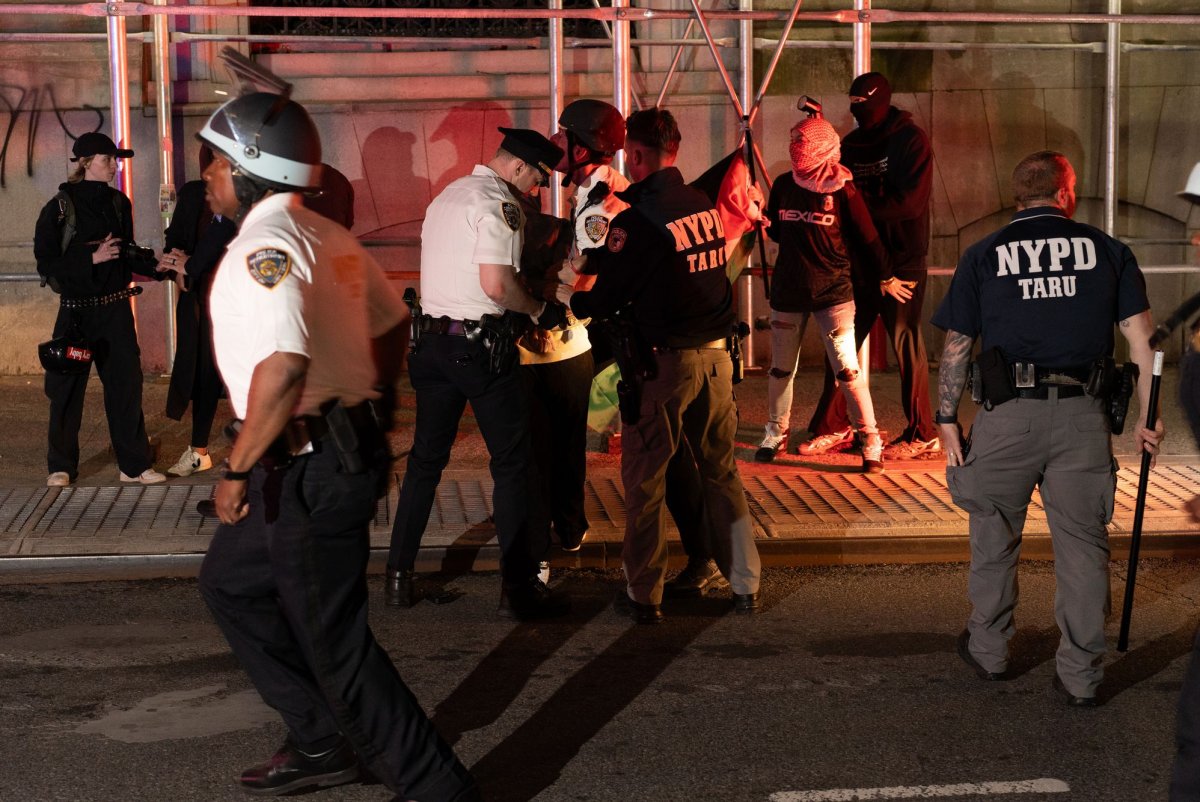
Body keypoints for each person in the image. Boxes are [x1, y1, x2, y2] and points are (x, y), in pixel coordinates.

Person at [194, 90, 478, 801]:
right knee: (230, 584)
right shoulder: (327, 236)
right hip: (322, 457)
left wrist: (235, 469)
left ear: (249, 169)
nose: (205, 175)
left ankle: (437, 787)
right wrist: (365, 411)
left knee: (335, 645)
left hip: (307, 470)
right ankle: (321, 739)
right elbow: (388, 325)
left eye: (215, 162)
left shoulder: (266, 247)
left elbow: (282, 365)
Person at [933, 150, 1163, 707]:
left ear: (1020, 195)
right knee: (1084, 547)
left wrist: (946, 421)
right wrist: (1148, 420)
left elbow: (957, 347)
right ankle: (1082, 677)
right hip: (1084, 417)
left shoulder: (984, 254)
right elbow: (1143, 345)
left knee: (993, 534)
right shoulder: (1108, 251)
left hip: (1007, 416)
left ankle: (990, 651)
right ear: (1066, 194)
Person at [556, 107, 761, 623]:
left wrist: (567, 300)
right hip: (717, 363)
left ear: (638, 155)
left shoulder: (636, 221)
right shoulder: (700, 205)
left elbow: (607, 300)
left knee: (646, 482)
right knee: (721, 474)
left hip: (663, 366)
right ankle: (746, 584)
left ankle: (644, 595)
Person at [383, 127, 573, 621]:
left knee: (426, 462)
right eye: (538, 176)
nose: (537, 188)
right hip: (480, 351)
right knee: (513, 465)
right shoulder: (500, 205)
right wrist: (537, 311)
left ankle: (398, 575)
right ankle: (519, 586)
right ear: (516, 167)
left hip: (429, 346)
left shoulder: (447, 195)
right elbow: (496, 285)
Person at [755, 114, 908, 473]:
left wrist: (886, 276)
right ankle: (775, 433)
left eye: (804, 143)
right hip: (787, 293)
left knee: (848, 372)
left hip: (834, 294)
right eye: (795, 142)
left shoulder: (844, 190)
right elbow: (778, 233)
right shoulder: (783, 184)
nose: (797, 149)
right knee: (779, 371)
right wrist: (758, 215)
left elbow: (868, 236)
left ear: (823, 148)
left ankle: (869, 439)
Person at [798, 72, 938, 461]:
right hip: (860, 259)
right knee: (841, 344)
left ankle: (922, 431)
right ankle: (834, 425)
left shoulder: (911, 140)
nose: (857, 111)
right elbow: (839, 195)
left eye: (864, 104)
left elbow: (910, 204)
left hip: (903, 258)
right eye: (853, 104)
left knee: (905, 341)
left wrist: (858, 208)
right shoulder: (853, 143)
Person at [33, 131, 167, 487]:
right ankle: (61, 467)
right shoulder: (60, 207)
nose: (114, 165)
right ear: (86, 162)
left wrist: (158, 266)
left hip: (115, 310)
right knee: (65, 390)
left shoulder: (119, 203)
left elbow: (126, 250)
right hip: (75, 313)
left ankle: (134, 465)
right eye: (108, 159)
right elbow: (46, 264)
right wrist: (90, 257)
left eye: (114, 159)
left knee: (126, 386)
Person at [160, 145, 238, 477]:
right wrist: (181, 270)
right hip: (202, 299)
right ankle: (199, 449)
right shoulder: (195, 194)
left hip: (236, 295)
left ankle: (255, 455)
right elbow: (176, 240)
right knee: (203, 374)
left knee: (244, 373)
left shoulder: (244, 202)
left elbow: (225, 235)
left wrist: (188, 266)